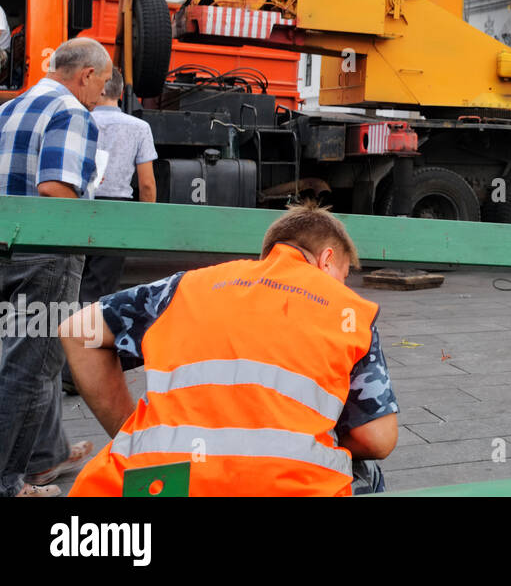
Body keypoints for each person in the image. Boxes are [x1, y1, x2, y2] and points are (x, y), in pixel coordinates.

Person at [62, 201, 399, 496]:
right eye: (342, 276)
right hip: (287, 487)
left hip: (160, 484)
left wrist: (132, 432)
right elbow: (378, 439)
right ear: (327, 259)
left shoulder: (185, 287)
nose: (342, 287)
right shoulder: (347, 310)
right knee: (366, 472)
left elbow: (78, 331)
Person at [0, 37, 111, 497]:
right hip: (45, 255)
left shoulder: (10, 108)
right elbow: (56, 188)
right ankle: (7, 482)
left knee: (19, 358)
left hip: (7, 246)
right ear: (85, 74)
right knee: (28, 368)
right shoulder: (71, 112)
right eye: (102, 84)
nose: (100, 95)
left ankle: (44, 459)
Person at [61, 67, 158, 395]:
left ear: (100, 88)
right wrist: (144, 227)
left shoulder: (78, 120)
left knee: (69, 288)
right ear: (118, 91)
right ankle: (79, 372)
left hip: (76, 209)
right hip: (116, 216)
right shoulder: (138, 127)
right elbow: (146, 183)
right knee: (98, 292)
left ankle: (61, 363)